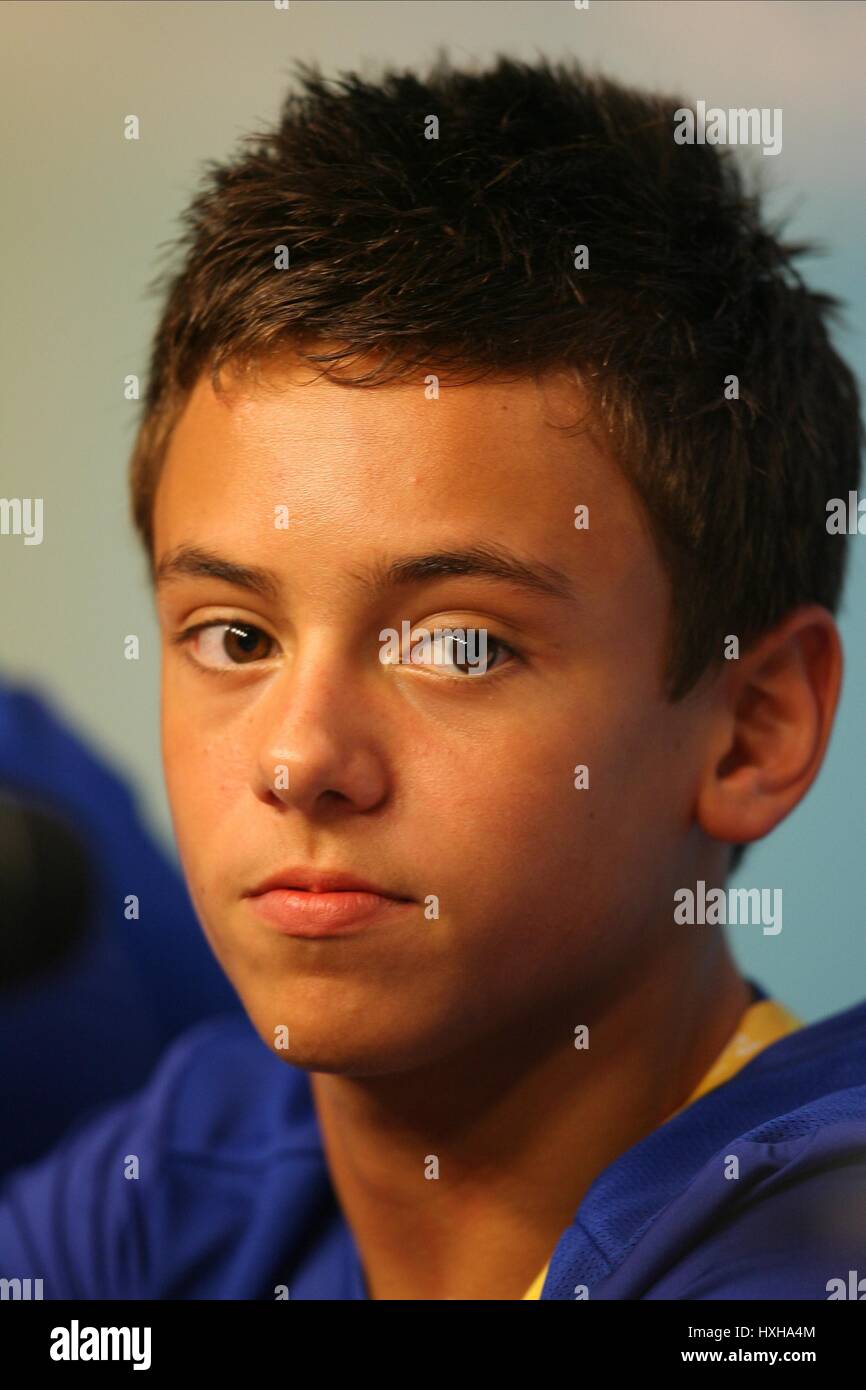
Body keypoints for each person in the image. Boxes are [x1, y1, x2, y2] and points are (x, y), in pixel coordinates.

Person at [1, 54, 864, 1300]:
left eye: (459, 645)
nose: (298, 759)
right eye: (235, 636)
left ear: (750, 727)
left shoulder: (806, 1251)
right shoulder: (187, 1178)